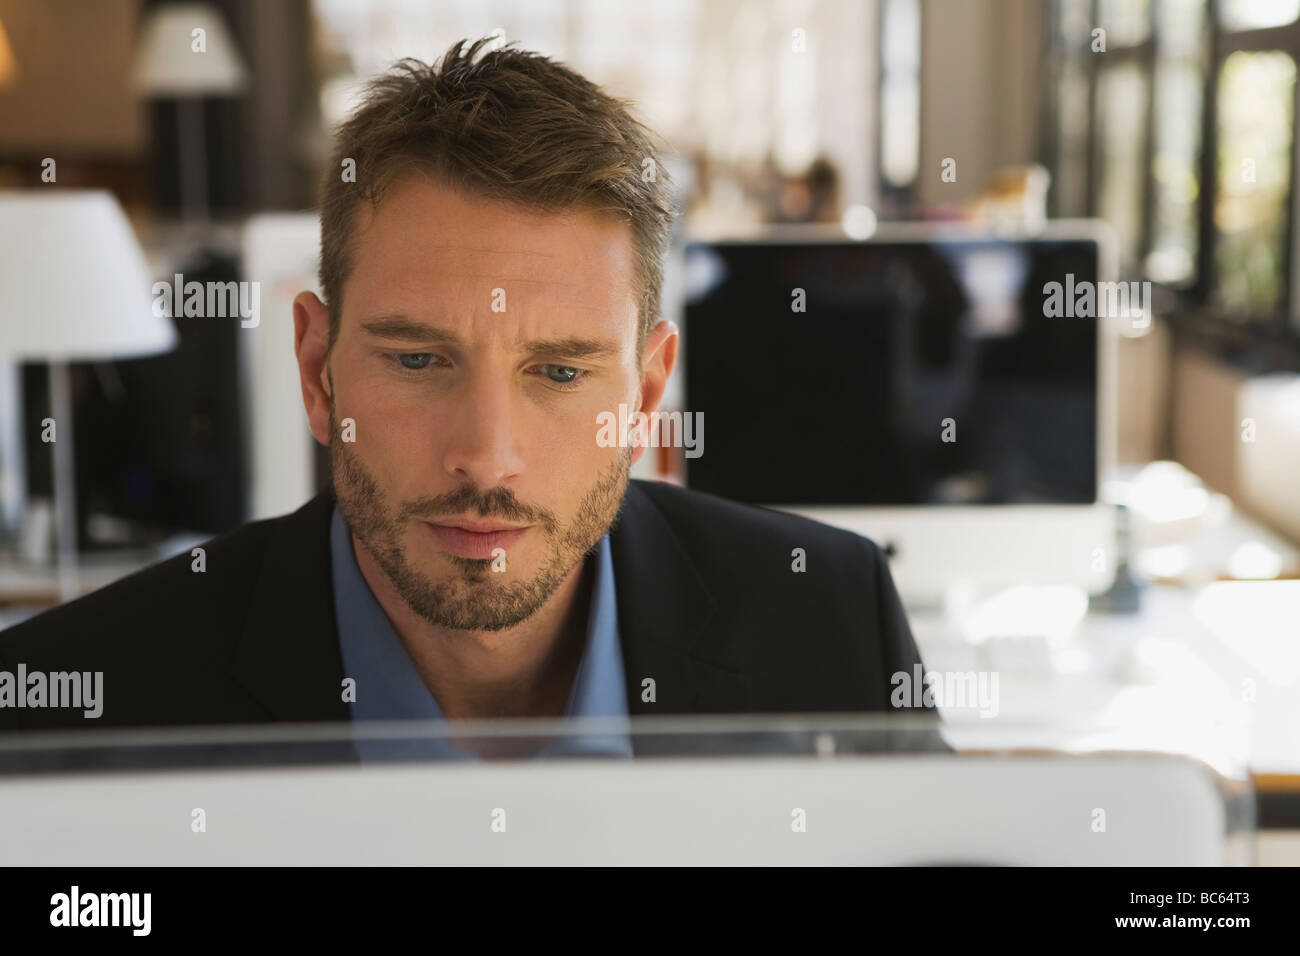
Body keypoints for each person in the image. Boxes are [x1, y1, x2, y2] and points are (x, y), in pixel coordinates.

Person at [0, 39, 939, 756]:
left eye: (561, 373)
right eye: (417, 361)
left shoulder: (831, 629)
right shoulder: (71, 700)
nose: (487, 457)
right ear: (318, 371)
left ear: (648, 392)